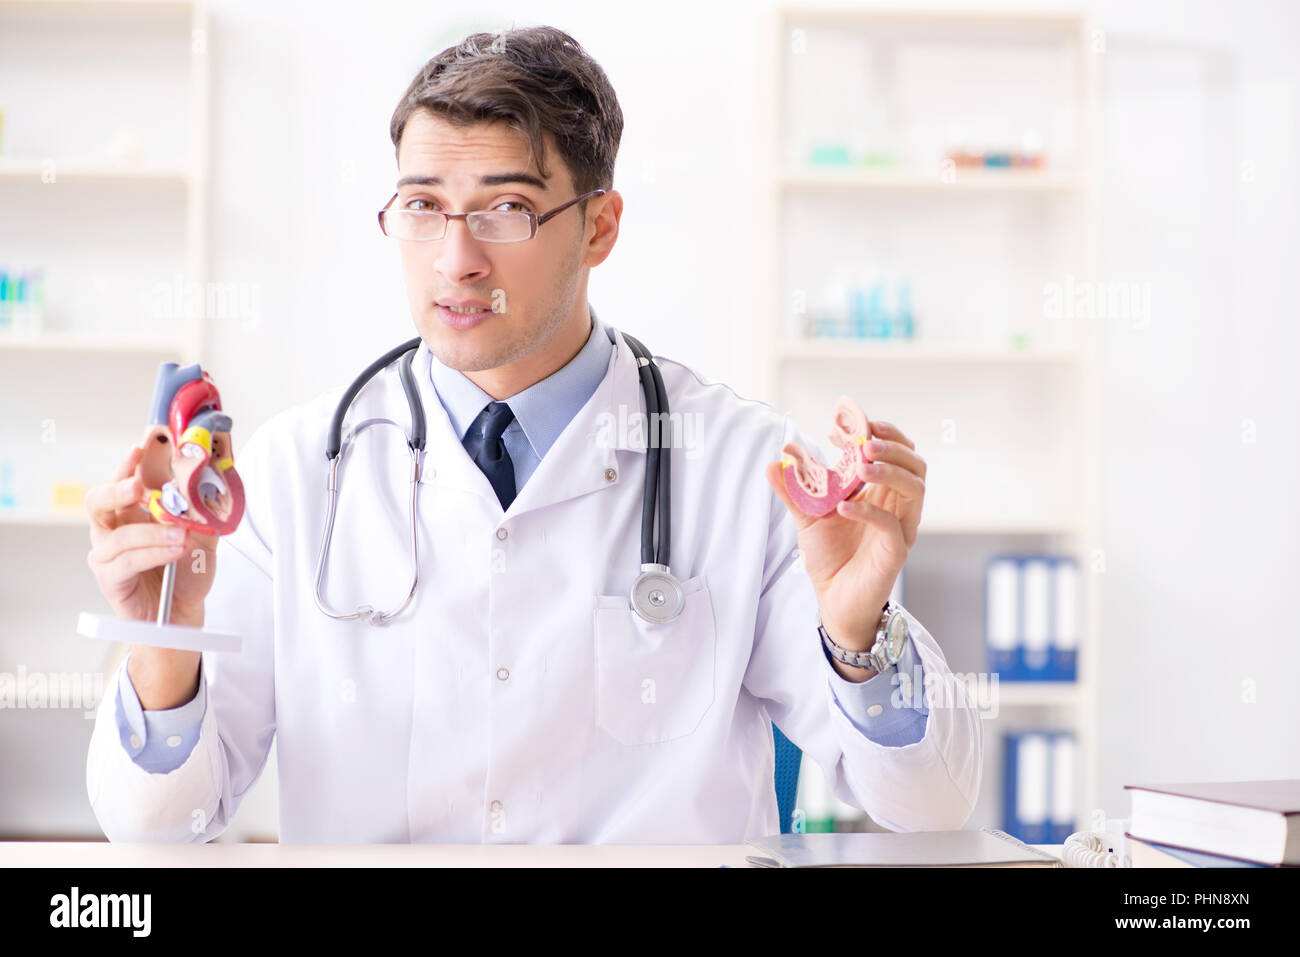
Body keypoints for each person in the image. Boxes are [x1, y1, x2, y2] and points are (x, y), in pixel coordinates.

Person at [83, 25, 981, 843]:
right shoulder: (289, 477)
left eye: (506, 209)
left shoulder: (747, 469)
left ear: (599, 226)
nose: (456, 257)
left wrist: (859, 631)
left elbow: (930, 806)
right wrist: (166, 642)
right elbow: (159, 831)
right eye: (424, 206)